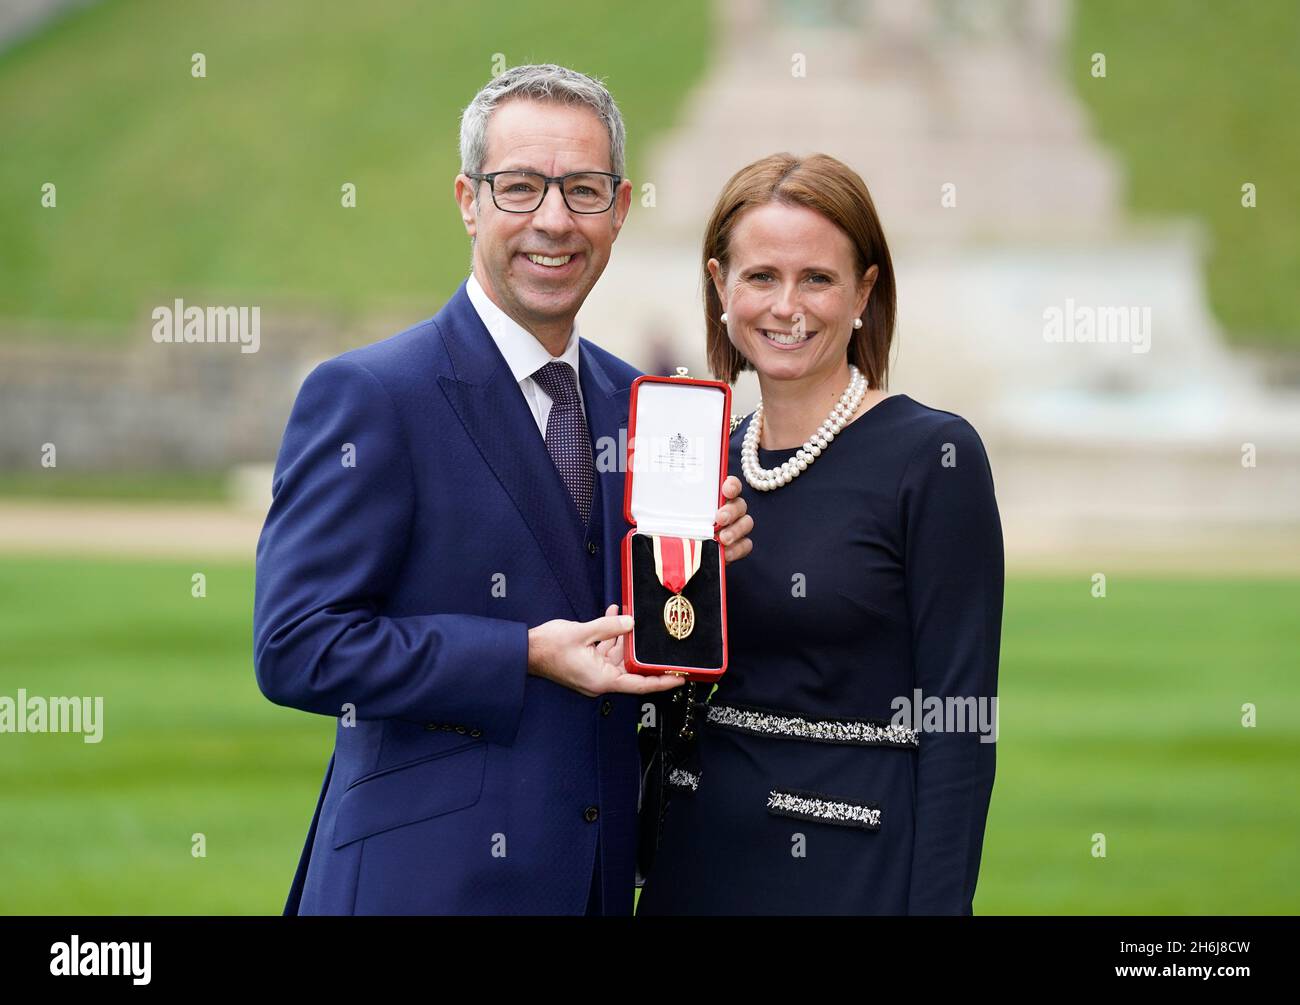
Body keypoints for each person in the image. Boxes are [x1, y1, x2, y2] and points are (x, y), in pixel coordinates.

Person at [253, 64, 754, 916]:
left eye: (583, 190)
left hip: (591, 887)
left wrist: (701, 570)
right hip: (421, 886)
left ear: (620, 209)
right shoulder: (372, 394)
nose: (553, 220)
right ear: (467, 200)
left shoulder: (641, 405)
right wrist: (520, 653)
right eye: (520, 187)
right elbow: (298, 646)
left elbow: (646, 651)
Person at [636, 152, 1003, 915]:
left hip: (853, 870)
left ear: (865, 290)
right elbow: (658, 685)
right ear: (721, 286)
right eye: (762, 276)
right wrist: (673, 583)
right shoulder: (699, 462)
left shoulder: (934, 456)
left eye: (818, 278)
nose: (787, 305)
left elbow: (959, 725)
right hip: (696, 863)